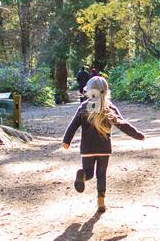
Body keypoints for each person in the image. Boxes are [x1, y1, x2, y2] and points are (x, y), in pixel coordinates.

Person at [61, 75, 145, 213]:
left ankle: (82, 175)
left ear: (88, 90)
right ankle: (101, 202)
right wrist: (138, 135)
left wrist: (66, 141)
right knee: (101, 174)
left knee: (89, 173)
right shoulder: (109, 107)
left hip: (87, 148)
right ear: (105, 91)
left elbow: (73, 125)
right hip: (104, 148)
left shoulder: (84, 107)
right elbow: (123, 124)